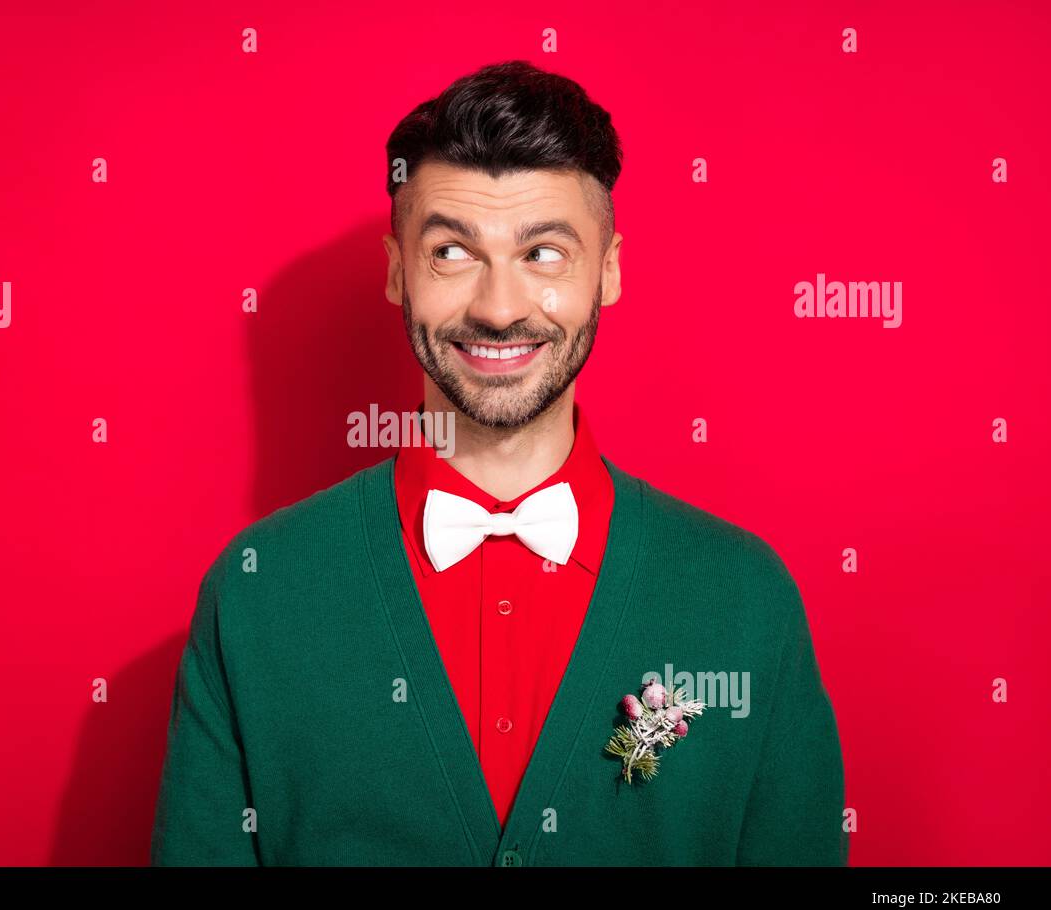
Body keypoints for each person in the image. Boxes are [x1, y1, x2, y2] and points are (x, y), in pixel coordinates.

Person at [151, 60, 847, 866]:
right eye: (452, 251)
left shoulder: (744, 599)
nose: (499, 307)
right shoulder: (258, 591)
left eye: (545, 253)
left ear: (609, 270)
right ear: (395, 270)